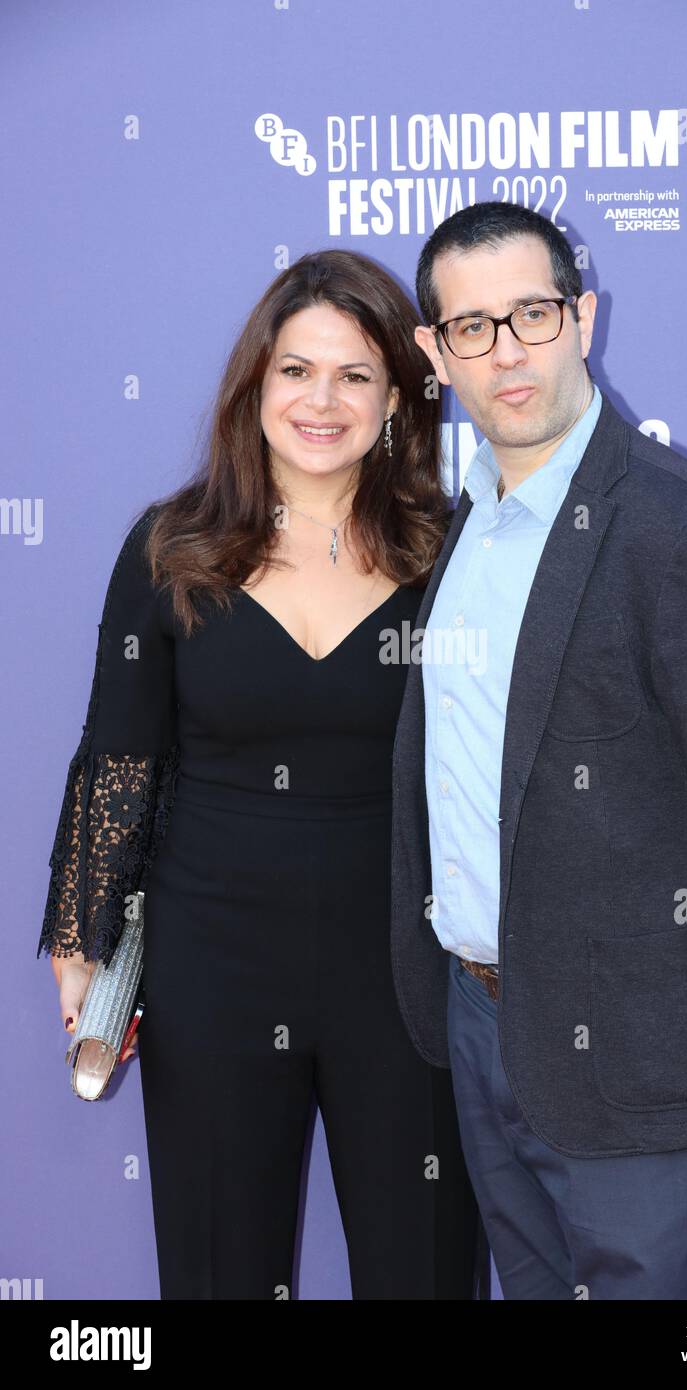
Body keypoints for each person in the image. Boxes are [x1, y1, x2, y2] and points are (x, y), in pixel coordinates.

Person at [389, 199, 687, 1300]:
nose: (506, 352)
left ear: (583, 317)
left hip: (640, 1058)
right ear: (432, 353)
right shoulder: (466, 528)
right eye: (471, 327)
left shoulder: (676, 524)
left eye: (532, 314)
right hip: (486, 1030)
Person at [38, 249, 483, 1300]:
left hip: (409, 974)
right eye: (295, 370)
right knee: (216, 1271)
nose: (320, 400)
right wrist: (81, 939)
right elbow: (118, 755)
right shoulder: (171, 546)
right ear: (255, 386)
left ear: (395, 399)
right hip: (213, 970)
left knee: (422, 1270)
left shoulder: (453, 551)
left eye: (353, 375)